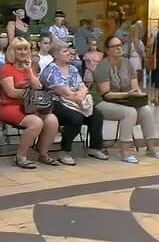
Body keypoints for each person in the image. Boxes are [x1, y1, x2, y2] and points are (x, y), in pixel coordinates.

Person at [94, 35, 159, 163]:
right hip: (103, 102)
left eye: (120, 45)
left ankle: (151, 148)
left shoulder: (127, 64)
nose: (118, 48)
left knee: (146, 110)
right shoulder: (102, 66)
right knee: (130, 112)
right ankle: (125, 151)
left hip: (125, 101)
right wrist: (127, 94)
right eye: (114, 46)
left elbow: (135, 87)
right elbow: (106, 94)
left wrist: (139, 95)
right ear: (107, 50)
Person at [41, 40, 106, 164]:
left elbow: (82, 86)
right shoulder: (51, 70)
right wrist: (77, 98)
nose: (69, 53)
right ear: (55, 54)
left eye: (69, 51)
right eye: (65, 51)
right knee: (75, 118)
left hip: (75, 100)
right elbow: (62, 91)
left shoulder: (72, 68)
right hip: (55, 102)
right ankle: (64, 151)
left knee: (97, 115)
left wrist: (81, 95)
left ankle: (94, 148)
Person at [1, 37, 61, 169]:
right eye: (19, 49)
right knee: (36, 122)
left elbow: (38, 86)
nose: (23, 52)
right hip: (9, 105)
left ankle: (43, 154)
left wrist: (28, 71)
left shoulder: (29, 68)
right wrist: (29, 91)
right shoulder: (7, 68)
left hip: (29, 105)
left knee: (52, 120)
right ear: (12, 52)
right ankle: (20, 157)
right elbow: (11, 92)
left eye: (25, 49)